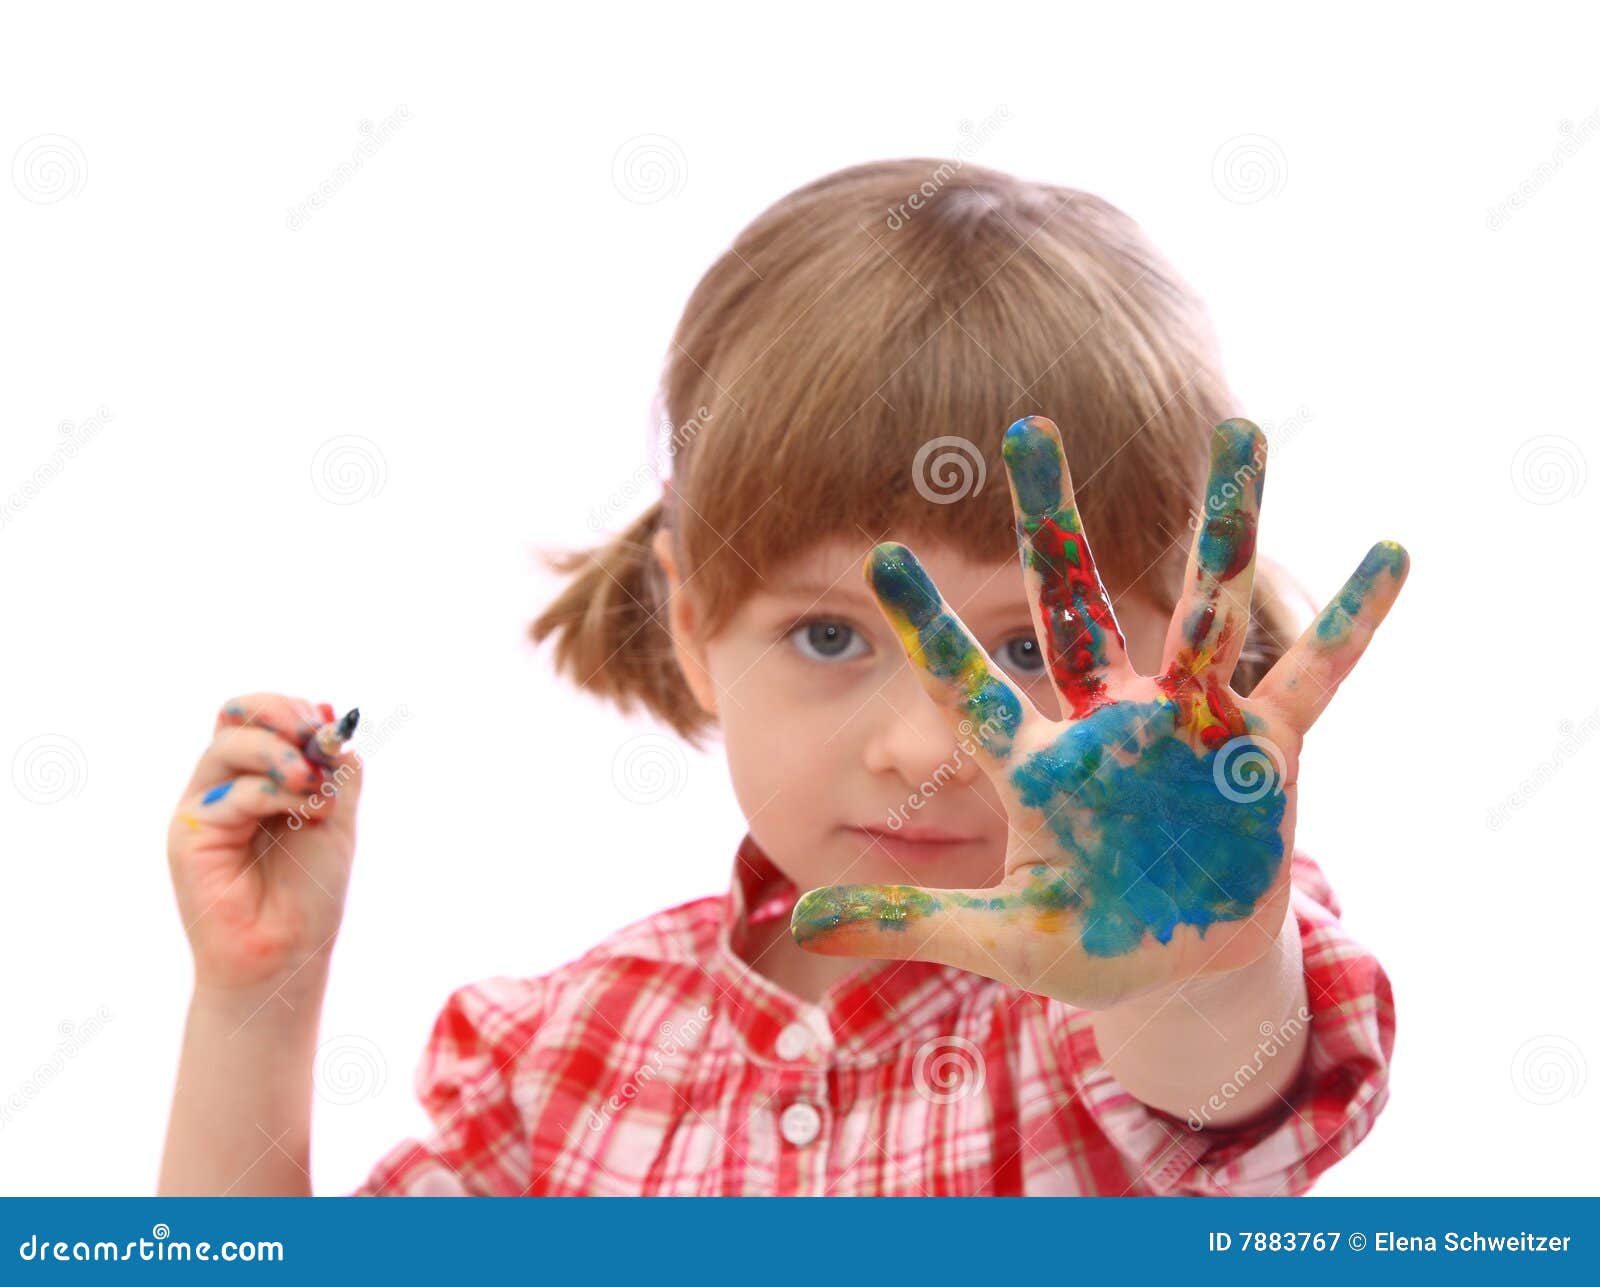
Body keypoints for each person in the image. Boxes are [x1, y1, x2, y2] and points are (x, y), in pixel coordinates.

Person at [159, 159, 1405, 1196]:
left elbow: (1211, 1065)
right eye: (829, 637)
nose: (925, 751)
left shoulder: (1128, 993)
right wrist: (255, 998)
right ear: (694, 622)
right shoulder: (561, 1058)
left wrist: (1199, 962)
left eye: (1025, 651)